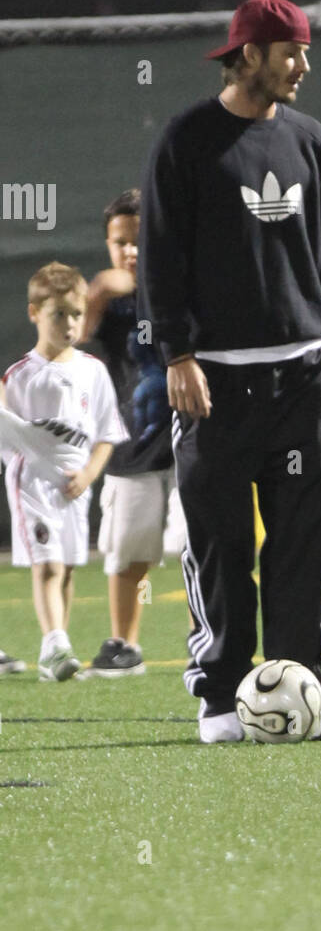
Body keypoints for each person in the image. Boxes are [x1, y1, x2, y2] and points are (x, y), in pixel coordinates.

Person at [139, 0, 321, 744]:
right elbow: (161, 259)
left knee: (301, 545)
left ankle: (296, 692)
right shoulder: (186, 141)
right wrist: (176, 354)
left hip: (303, 378)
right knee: (220, 546)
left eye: (305, 51)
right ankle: (219, 700)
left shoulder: (313, 143)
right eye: (291, 52)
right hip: (212, 379)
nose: (303, 66)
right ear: (248, 54)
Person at [0, 263, 128, 680]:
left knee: (67, 566)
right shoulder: (19, 377)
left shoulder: (93, 371)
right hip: (33, 480)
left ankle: (52, 649)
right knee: (48, 565)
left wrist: (91, 473)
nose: (70, 324)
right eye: (59, 314)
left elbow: (107, 432)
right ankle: (56, 644)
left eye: (76, 314)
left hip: (76, 485)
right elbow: (9, 434)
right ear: (35, 312)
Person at [79, 189, 186, 677]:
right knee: (127, 549)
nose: (131, 252)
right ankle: (125, 644)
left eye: (141, 241)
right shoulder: (108, 298)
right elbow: (70, 341)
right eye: (121, 242)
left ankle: (207, 638)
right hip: (132, 444)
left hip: (194, 441)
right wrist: (98, 293)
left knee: (201, 547)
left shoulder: (188, 284)